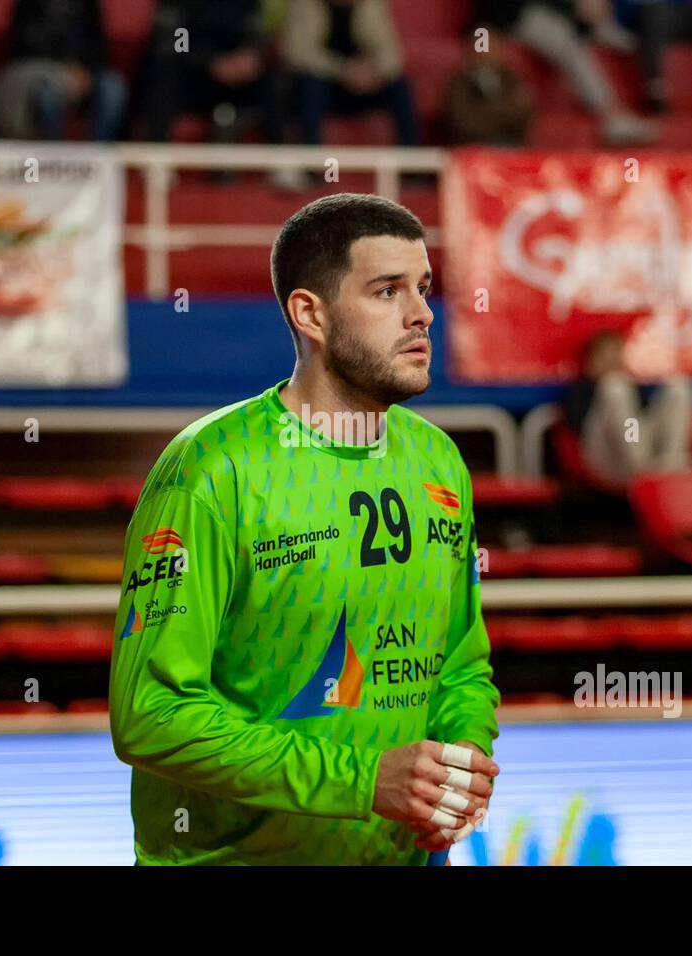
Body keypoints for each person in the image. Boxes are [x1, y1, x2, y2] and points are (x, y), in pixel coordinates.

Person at [109, 194, 501, 865]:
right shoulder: (212, 468)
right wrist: (361, 781)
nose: (422, 314)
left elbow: (459, 663)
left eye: (424, 289)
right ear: (309, 314)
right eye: (387, 291)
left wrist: (461, 759)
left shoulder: (439, 462)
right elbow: (150, 715)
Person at [483, 0, 656, 146]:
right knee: (565, 38)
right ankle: (611, 115)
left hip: (544, 10)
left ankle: (597, 25)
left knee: (579, 16)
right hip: (511, 14)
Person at [139, 0, 285, 146]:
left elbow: (254, 34)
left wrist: (249, 56)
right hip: (190, 75)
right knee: (163, 74)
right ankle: (158, 154)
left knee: (269, 78)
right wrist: (210, 62)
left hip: (237, 75)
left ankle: (281, 159)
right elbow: (174, 40)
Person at [563, 329, 692, 486]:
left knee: (680, 385)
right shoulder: (582, 388)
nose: (612, 359)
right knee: (614, 386)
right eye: (605, 354)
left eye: (617, 353)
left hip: (642, 444)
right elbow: (579, 427)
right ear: (591, 359)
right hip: (609, 457)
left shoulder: (632, 386)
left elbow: (638, 421)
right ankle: (640, 467)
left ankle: (673, 461)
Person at [284, 0, 420, 147]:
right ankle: (312, 160)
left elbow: (392, 55)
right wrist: (343, 70)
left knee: (399, 85)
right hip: (326, 85)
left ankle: (411, 158)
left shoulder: (372, 5)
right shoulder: (303, 5)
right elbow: (297, 52)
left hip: (364, 83)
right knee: (310, 86)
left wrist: (373, 70)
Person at [0, 0, 126, 141]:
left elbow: (99, 45)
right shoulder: (28, 4)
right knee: (48, 95)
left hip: (84, 71)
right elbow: (19, 47)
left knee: (113, 87)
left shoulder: (89, 4)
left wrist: (84, 70)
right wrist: (59, 71)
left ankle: (99, 154)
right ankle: (52, 154)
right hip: (43, 71)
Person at [441, 26, 537, 146]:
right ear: (470, 51)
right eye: (483, 48)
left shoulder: (512, 79)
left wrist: (485, 112)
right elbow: (465, 122)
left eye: (493, 47)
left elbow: (525, 111)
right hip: (473, 151)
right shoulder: (458, 82)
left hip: (512, 149)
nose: (488, 54)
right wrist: (506, 112)